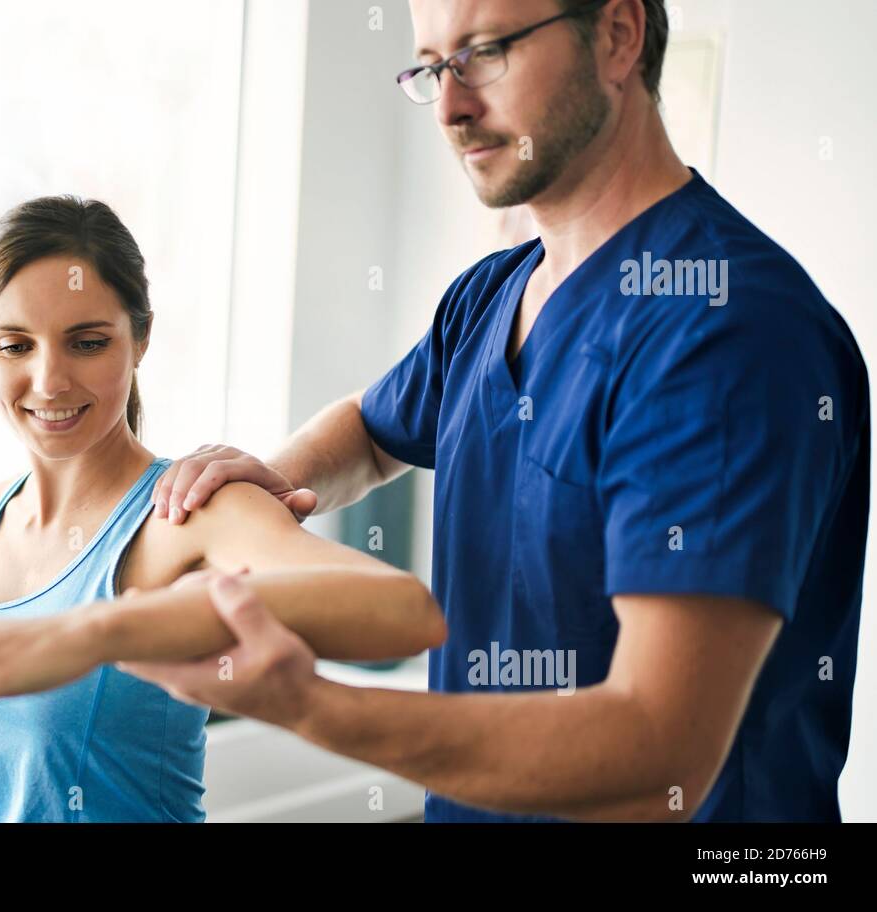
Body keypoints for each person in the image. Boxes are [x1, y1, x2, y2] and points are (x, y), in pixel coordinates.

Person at [123, 0, 869, 822]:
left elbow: (660, 750)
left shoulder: (725, 329)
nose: (450, 107)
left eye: (483, 53)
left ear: (617, 36)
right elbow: (372, 432)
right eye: (432, 68)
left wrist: (308, 705)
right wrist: (274, 478)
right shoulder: (491, 295)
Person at [0, 195, 444, 822]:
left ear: (140, 340)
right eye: (15, 346)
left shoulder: (194, 510)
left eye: (86, 342)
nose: (50, 380)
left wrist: (100, 631)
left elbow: (406, 613)